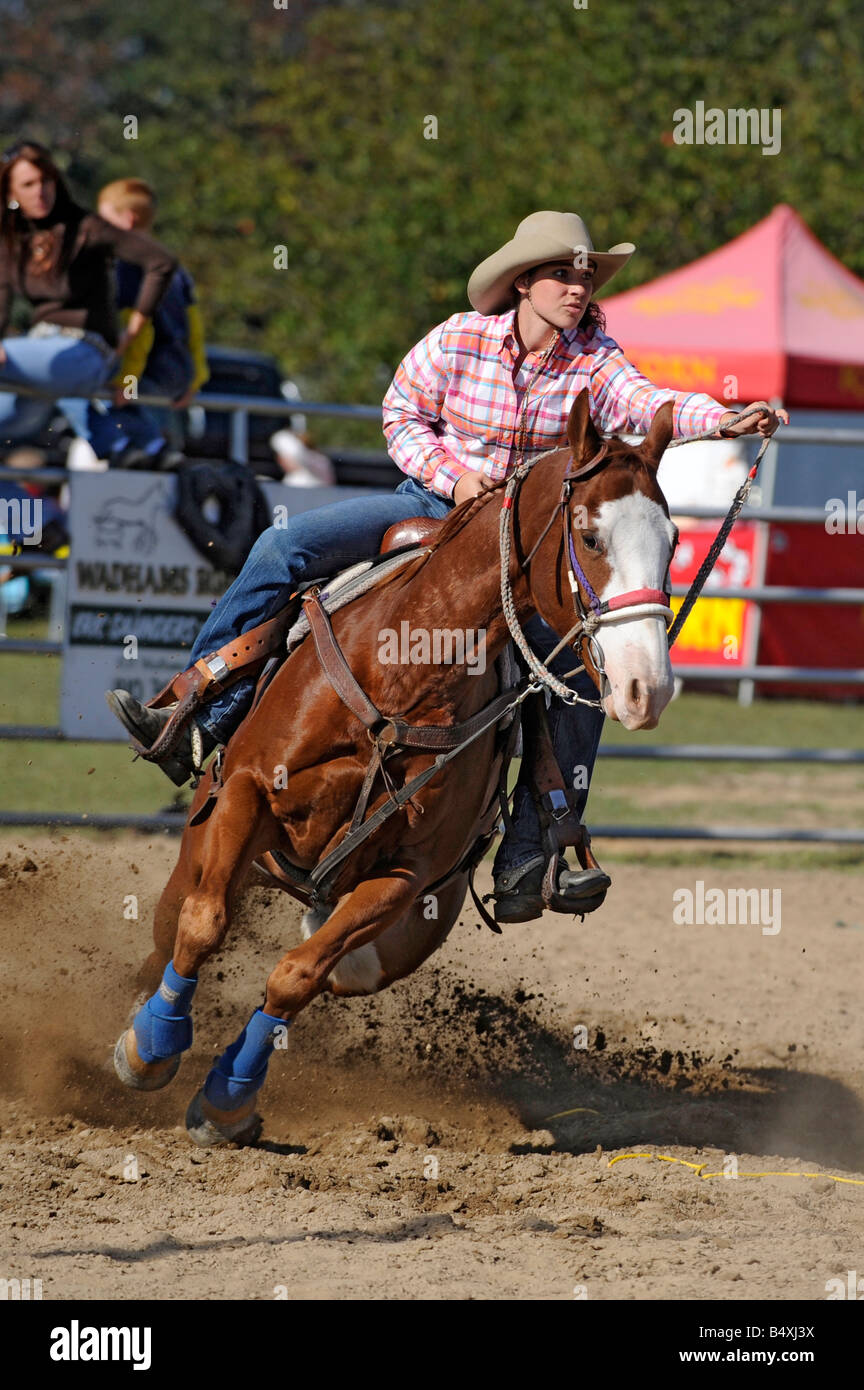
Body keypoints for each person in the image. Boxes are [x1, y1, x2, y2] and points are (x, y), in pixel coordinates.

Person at [107, 210, 786, 921]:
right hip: (430, 502)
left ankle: (535, 851)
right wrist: (456, 478)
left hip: (522, 547)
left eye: (586, 275)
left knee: (576, 672)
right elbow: (402, 413)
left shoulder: (597, 359)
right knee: (284, 548)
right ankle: (197, 714)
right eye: (563, 273)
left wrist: (723, 418)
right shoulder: (460, 339)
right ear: (523, 282)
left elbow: (650, 404)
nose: (578, 287)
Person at [0, 140, 177, 459]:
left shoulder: (87, 228)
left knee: (77, 388)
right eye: (28, 184)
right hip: (39, 361)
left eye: (47, 181)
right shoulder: (11, 242)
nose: (40, 191)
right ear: (11, 193)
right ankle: (127, 447)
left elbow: (161, 262)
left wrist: (133, 330)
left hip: (85, 350)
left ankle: (137, 445)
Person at [63, 177, 209, 467]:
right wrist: (197, 377)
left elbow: (139, 330)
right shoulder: (173, 268)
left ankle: (127, 444)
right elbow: (194, 328)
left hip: (146, 372)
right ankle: (157, 448)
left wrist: (127, 380)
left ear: (126, 221)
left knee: (67, 379)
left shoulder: (129, 265)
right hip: (177, 373)